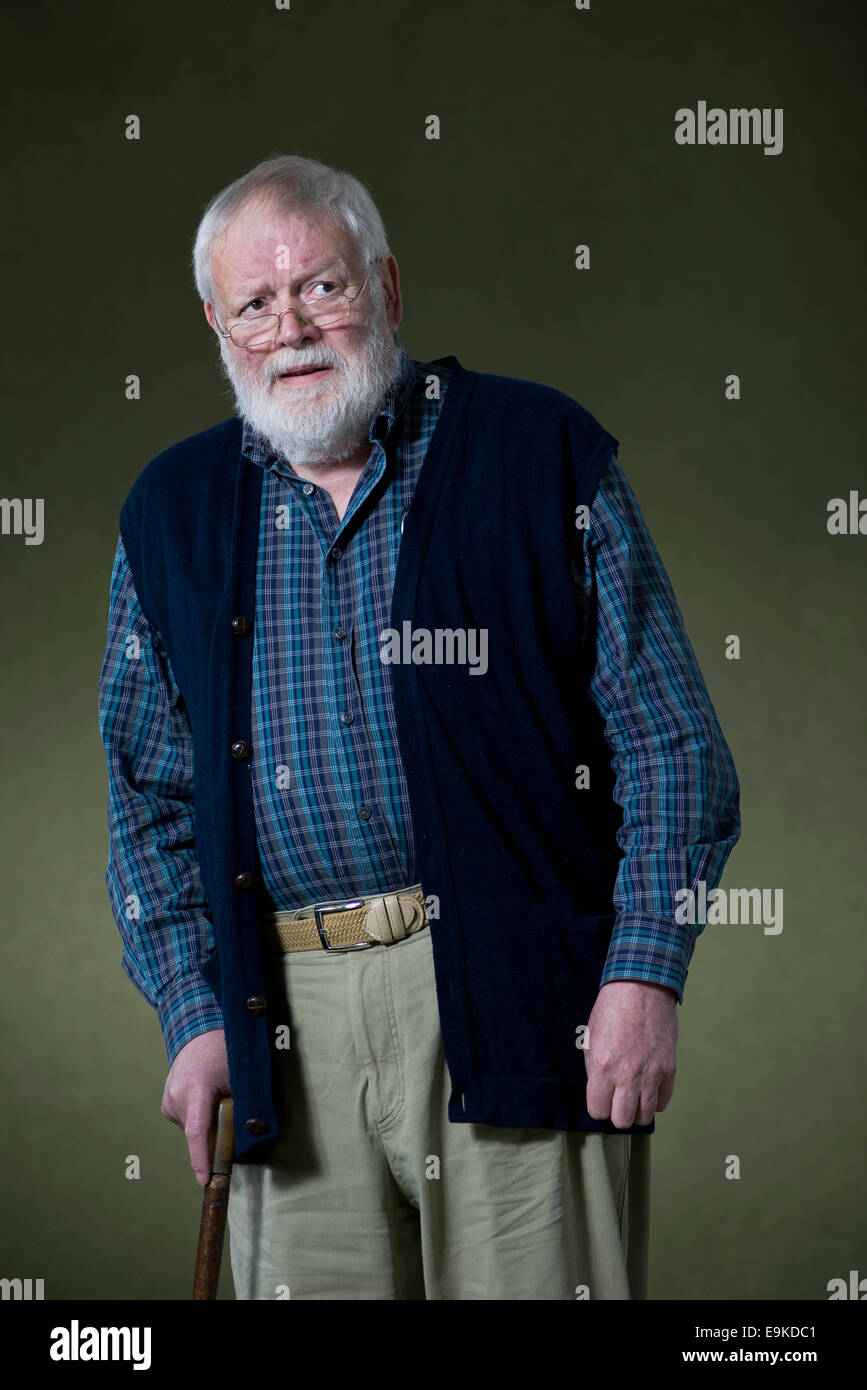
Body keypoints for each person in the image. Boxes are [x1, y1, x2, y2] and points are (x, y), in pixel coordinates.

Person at [98, 153, 741, 1301]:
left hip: (523, 1001)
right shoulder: (167, 513)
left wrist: (644, 976)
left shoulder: (540, 453)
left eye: (324, 287)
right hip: (279, 1028)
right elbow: (147, 798)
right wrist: (197, 1016)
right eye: (257, 302)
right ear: (216, 323)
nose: (292, 325)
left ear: (388, 288)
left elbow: (671, 741)